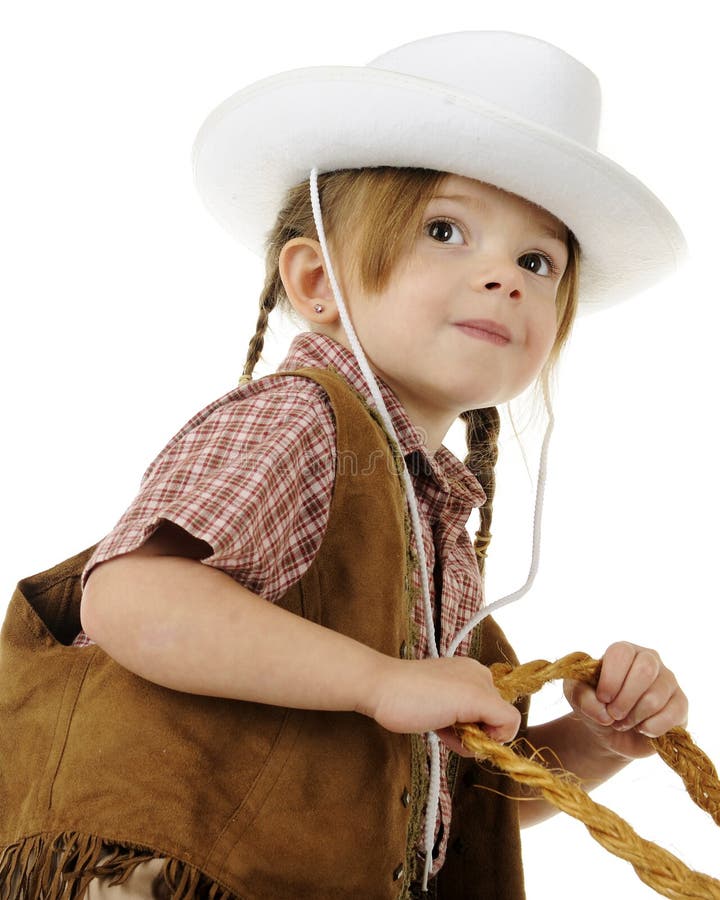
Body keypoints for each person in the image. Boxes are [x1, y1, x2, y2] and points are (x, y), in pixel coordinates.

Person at [0, 30, 690, 900]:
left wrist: (592, 742)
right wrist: (379, 681)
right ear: (317, 281)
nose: (505, 278)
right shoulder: (297, 421)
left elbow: (426, 803)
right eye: (446, 229)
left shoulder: (426, 529)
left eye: (537, 260)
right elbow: (132, 596)